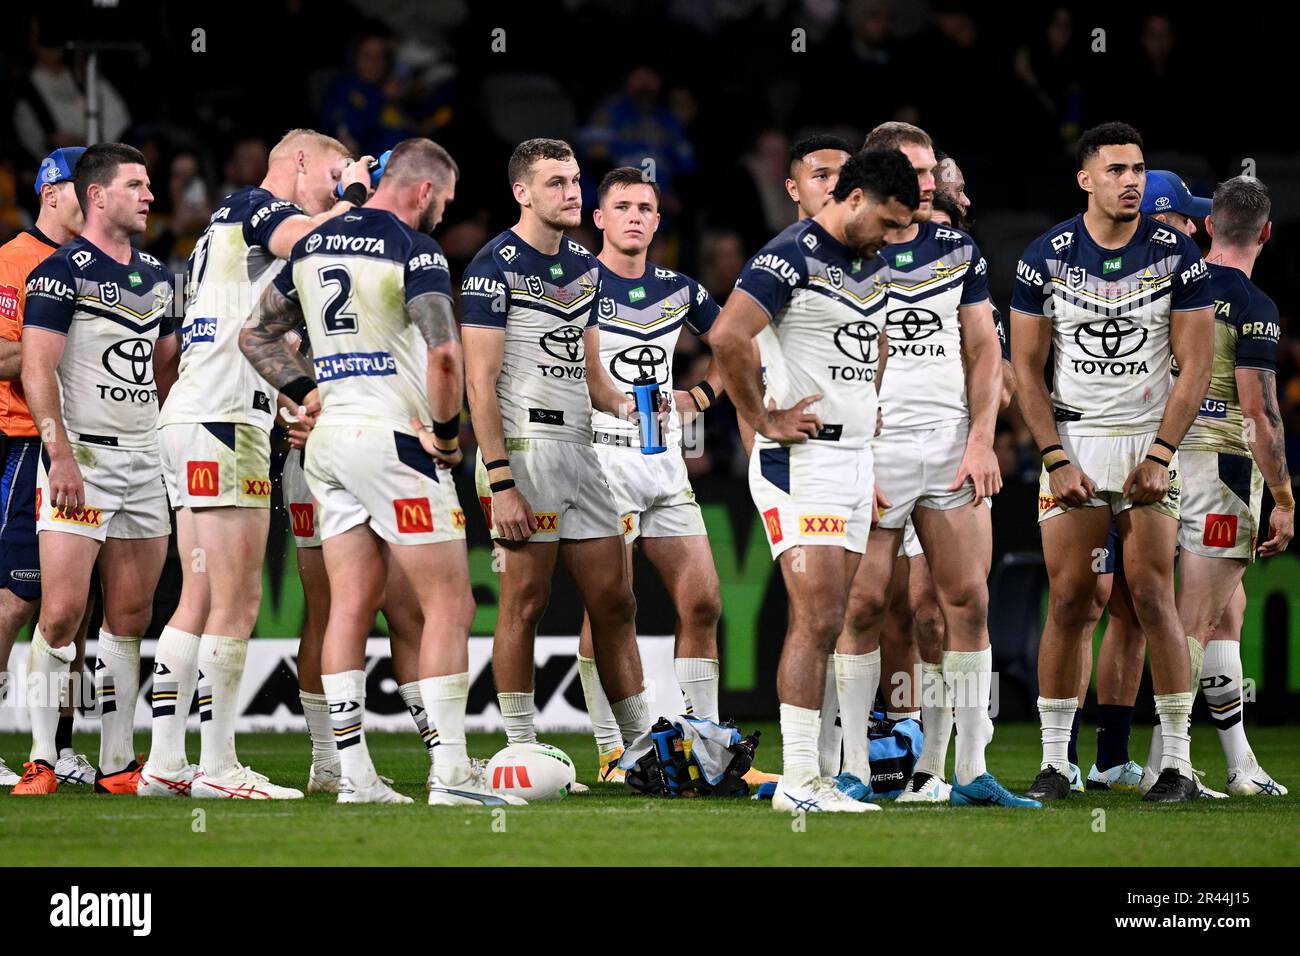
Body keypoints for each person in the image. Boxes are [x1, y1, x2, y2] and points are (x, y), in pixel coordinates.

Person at [242, 137, 507, 805]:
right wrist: (447, 436)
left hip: (327, 444)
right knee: (450, 603)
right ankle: (452, 775)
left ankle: (353, 774)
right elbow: (445, 356)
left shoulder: (311, 244)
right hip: (394, 439)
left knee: (348, 608)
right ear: (422, 192)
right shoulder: (413, 248)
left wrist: (306, 393)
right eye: (442, 204)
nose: (441, 216)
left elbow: (255, 334)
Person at [141, 129, 374, 800]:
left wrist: (281, 402)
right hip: (220, 425)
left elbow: (238, 332)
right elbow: (316, 238)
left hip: (197, 415)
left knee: (200, 595)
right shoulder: (257, 207)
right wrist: (356, 192)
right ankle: (218, 767)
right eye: (328, 176)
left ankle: (164, 763)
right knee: (237, 599)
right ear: (298, 163)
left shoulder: (229, 223)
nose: (333, 190)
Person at [1011, 122, 1214, 803]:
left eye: (1139, 168)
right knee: (1069, 600)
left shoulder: (1178, 253)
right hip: (1076, 443)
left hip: (1146, 440)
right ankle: (1054, 763)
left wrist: (1162, 452)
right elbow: (1025, 370)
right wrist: (1053, 457)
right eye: (1118, 168)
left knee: (1154, 597)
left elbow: (1196, 367)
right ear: (1086, 178)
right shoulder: (1045, 256)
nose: (1132, 180)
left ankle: (1178, 764)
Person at [711, 148, 918, 812]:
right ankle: (799, 781)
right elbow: (726, 337)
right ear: (855, 200)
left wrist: (863, 420)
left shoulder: (873, 266)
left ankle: (817, 776)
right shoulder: (789, 255)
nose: (891, 237)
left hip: (853, 458)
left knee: (839, 619)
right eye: (886, 222)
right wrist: (761, 419)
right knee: (818, 615)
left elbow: (877, 343)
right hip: (801, 462)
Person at [834, 123, 1033, 808]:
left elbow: (983, 350)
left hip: (949, 443)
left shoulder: (957, 248)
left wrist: (981, 439)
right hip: (876, 447)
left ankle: (970, 770)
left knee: (967, 602)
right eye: (907, 171)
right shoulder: (845, 252)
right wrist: (855, 442)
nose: (922, 184)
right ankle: (853, 766)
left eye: (927, 171)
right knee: (861, 604)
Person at [460, 138, 650, 753]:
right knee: (525, 600)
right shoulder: (494, 264)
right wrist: (501, 480)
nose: (572, 193)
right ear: (522, 193)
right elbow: (478, 385)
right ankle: (519, 745)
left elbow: (593, 377)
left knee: (615, 600)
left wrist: (635, 405)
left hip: (580, 450)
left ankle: (642, 747)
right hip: (524, 450)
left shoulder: (585, 267)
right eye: (555, 183)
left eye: (574, 181)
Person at [11, 143, 177, 796]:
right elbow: (36, 369)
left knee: (130, 617)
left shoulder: (163, 277)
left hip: (144, 460)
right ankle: (43, 757)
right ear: (98, 195)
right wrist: (60, 456)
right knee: (60, 614)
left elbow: (166, 369)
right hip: (82, 460)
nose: (149, 196)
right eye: (137, 185)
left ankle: (116, 763)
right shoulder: (59, 272)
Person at [574, 166, 725, 783]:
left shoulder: (682, 289)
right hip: (602, 459)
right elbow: (575, 369)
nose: (636, 216)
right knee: (611, 608)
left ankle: (706, 745)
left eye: (646, 207)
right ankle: (615, 750)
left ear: (658, 221)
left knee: (705, 601)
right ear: (599, 219)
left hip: (664, 462)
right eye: (623, 206)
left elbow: (736, 343)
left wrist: (704, 396)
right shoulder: (578, 284)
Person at [1154, 174, 1290, 796]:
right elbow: (1259, 413)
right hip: (1222, 468)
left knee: (1224, 615)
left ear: (1208, 226)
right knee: (1194, 621)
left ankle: (1238, 765)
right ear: (1266, 233)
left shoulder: (1168, 286)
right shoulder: (1255, 307)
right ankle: (1169, 765)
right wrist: (1283, 498)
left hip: (1157, 458)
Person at [0, 147, 94, 789]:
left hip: (86, 446)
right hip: (26, 442)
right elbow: (4, 356)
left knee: (71, 606)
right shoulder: (15, 259)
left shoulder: (94, 264)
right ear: (52, 192)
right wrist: (55, 347)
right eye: (81, 187)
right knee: (12, 600)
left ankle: (57, 750)